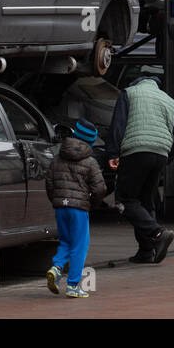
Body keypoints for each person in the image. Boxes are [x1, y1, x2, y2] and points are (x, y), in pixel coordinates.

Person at [108, 71, 174, 264]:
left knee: (124, 200)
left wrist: (112, 153)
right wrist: (167, 156)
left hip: (136, 151)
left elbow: (118, 125)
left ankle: (158, 233)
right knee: (145, 202)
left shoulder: (129, 93)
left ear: (136, 81)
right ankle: (146, 252)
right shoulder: (170, 100)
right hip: (160, 154)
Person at [44, 119, 106, 299]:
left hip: (60, 207)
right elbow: (99, 189)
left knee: (65, 242)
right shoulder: (90, 162)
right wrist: (91, 204)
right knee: (80, 245)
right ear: (91, 141)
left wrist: (56, 200)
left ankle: (56, 268)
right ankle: (73, 286)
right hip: (79, 209)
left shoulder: (57, 157)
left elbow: (49, 182)